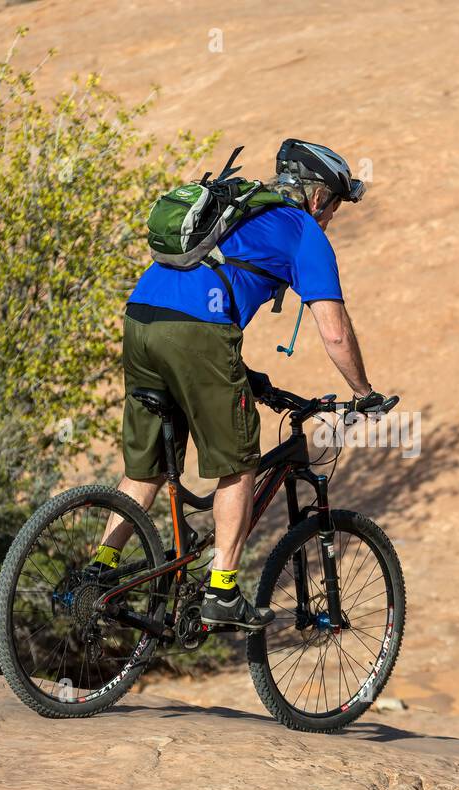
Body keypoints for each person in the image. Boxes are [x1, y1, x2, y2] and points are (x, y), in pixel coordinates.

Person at [96, 139, 387, 630]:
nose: (332, 217)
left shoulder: (236, 208)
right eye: (334, 207)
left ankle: (101, 571)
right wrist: (364, 394)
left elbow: (206, 298)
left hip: (140, 321)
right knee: (239, 460)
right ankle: (223, 590)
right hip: (196, 334)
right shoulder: (302, 231)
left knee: (144, 468)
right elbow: (335, 331)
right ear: (318, 198)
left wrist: (250, 380)